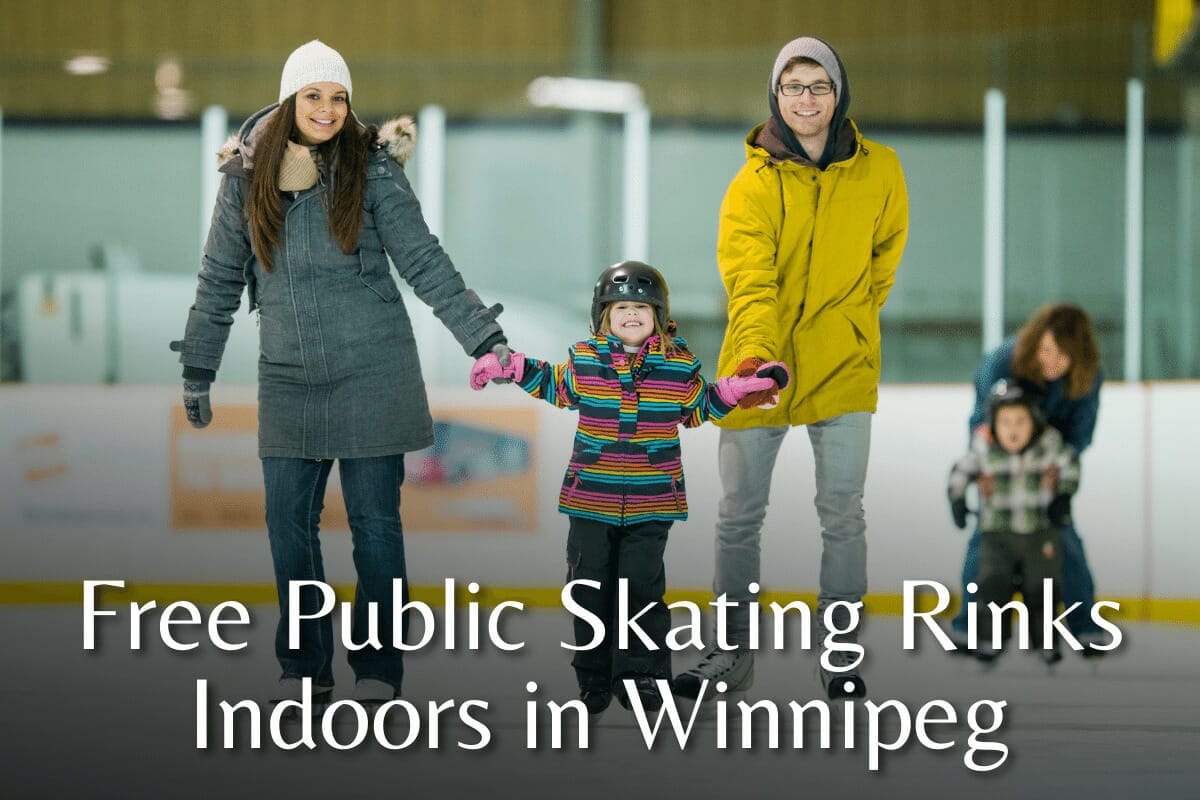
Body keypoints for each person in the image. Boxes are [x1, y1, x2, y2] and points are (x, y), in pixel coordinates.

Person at [169, 40, 510, 708]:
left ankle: (379, 666)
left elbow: (424, 261)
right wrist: (199, 367)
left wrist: (483, 338)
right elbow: (217, 279)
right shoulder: (244, 179)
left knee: (376, 525)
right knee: (285, 524)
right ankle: (303, 666)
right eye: (314, 95)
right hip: (290, 374)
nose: (327, 110)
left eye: (338, 97)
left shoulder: (374, 170)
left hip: (373, 366)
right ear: (291, 100)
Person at [672, 36, 908, 701]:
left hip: (844, 366)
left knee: (843, 512)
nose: (806, 100)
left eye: (818, 86)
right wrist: (754, 362)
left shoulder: (882, 170)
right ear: (776, 97)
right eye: (793, 87)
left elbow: (881, 265)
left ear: (839, 93)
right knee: (739, 514)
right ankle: (729, 657)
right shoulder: (751, 183)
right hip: (758, 368)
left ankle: (841, 658)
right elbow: (749, 281)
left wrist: (851, 326)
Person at [470, 261, 789, 715]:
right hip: (590, 502)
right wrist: (510, 366)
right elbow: (551, 383)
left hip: (651, 502)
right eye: (621, 307)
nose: (632, 314)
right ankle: (594, 678)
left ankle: (642, 677)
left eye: (642, 307)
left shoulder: (678, 367)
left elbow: (701, 406)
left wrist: (739, 389)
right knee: (587, 589)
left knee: (641, 590)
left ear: (659, 315)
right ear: (604, 315)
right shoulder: (585, 360)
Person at [949, 303, 1104, 653]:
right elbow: (979, 419)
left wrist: (1060, 477)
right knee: (986, 542)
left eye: (1062, 356)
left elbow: (1080, 434)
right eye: (1046, 350)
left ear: (1078, 358)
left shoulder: (1088, 377)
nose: (1051, 361)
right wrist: (982, 466)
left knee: (1063, 537)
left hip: (1045, 467)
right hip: (1002, 467)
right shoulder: (1003, 360)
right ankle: (970, 628)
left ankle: (1085, 626)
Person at [947, 381, 1080, 666]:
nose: (1013, 429)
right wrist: (957, 500)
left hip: (1039, 531)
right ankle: (991, 639)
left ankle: (1045, 640)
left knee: (1042, 587)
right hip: (998, 534)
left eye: (1020, 420)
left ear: (1034, 421)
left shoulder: (1048, 445)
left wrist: (1064, 496)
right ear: (993, 424)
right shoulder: (985, 449)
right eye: (1005, 422)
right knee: (993, 583)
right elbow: (960, 471)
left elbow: (1070, 463)